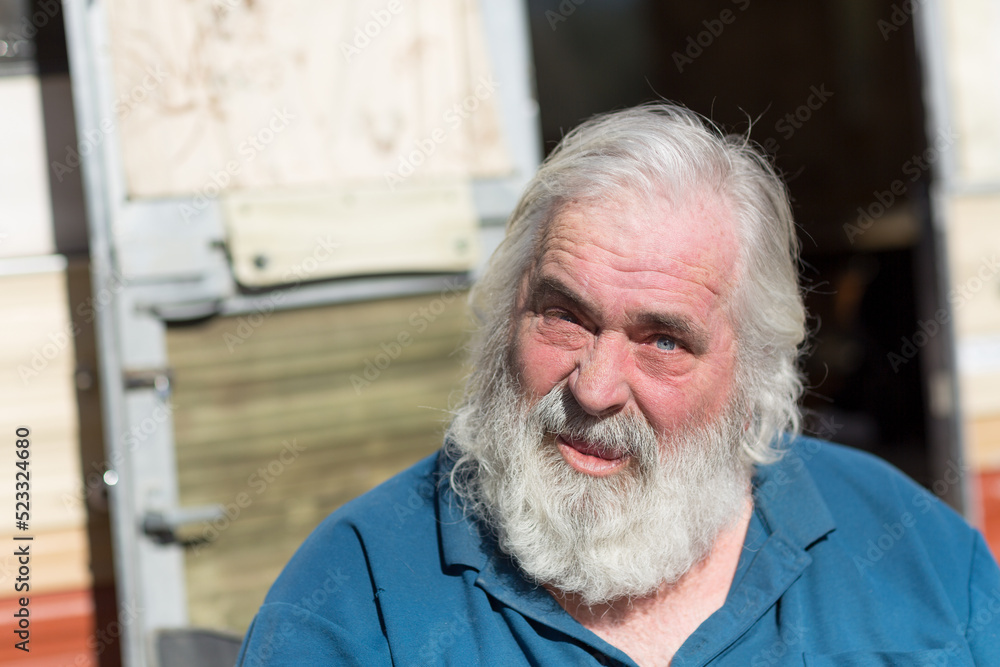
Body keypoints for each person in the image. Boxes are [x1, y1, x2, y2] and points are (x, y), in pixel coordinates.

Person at [236, 103, 1000, 666]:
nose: (594, 389)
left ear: (755, 371)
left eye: (662, 339)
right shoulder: (358, 593)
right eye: (563, 316)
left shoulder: (924, 562)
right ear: (508, 314)